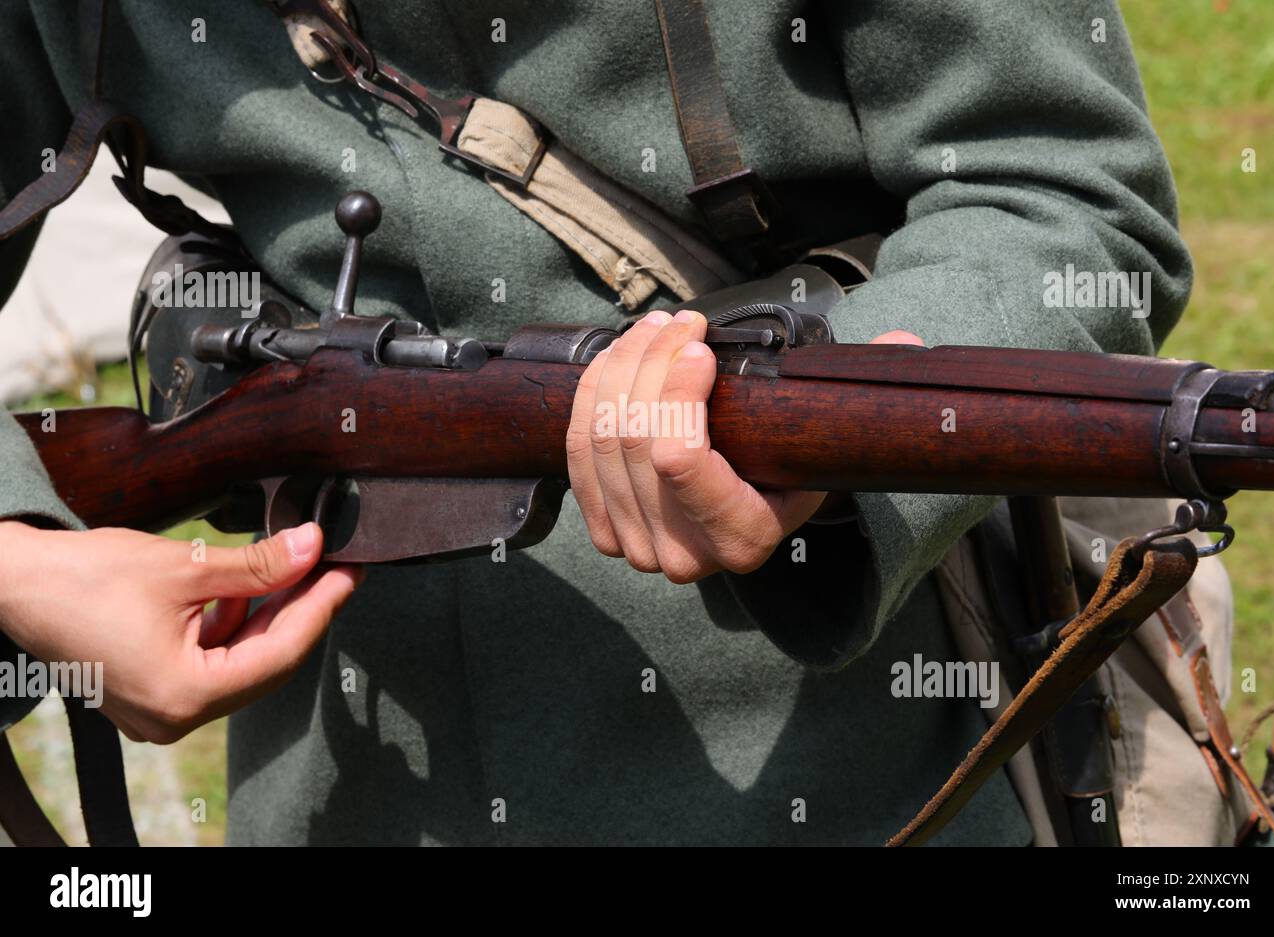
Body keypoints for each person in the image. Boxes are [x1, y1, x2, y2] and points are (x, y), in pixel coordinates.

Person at [0, 0, 1191, 844]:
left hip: (863, 781)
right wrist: (20, 562)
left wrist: (837, 424)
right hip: (345, 792)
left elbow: (1064, 195)